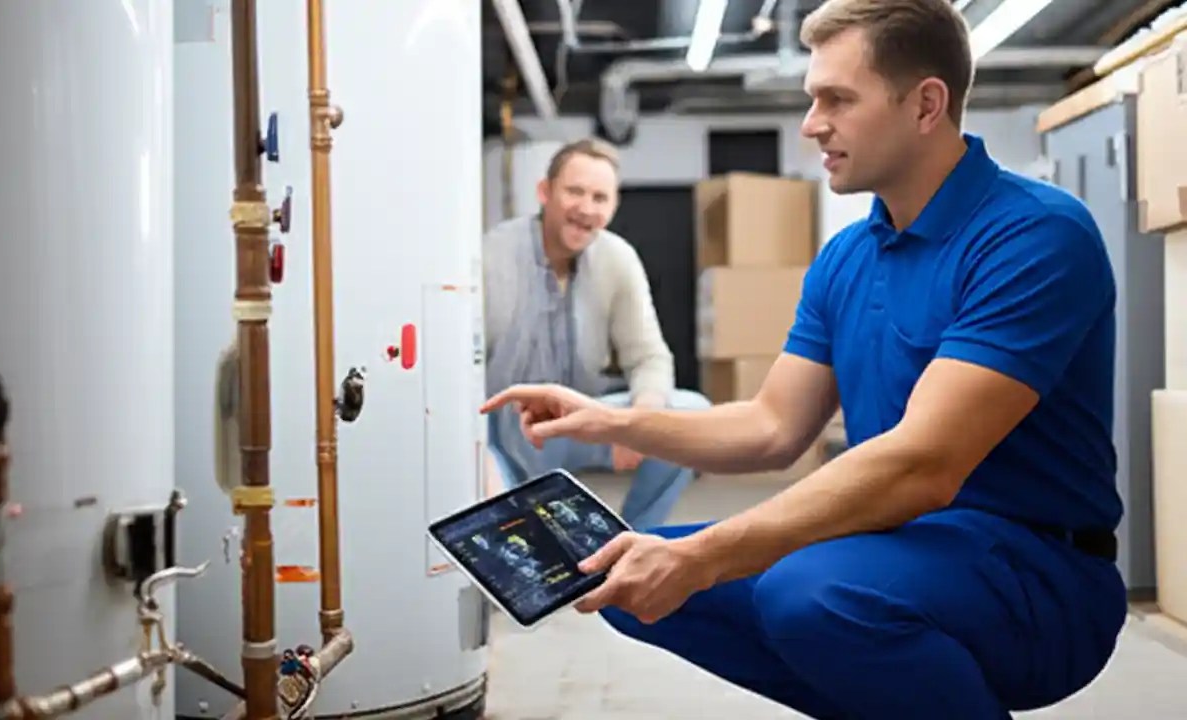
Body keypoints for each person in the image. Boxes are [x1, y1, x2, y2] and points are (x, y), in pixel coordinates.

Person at [480, 1, 1127, 718]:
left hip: (1038, 575)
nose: (812, 123)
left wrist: (705, 557)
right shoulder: (847, 256)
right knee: (624, 577)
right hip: (900, 548)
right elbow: (770, 427)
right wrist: (611, 422)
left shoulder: (1032, 236)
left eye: (837, 100)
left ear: (926, 105)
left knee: (809, 594)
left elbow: (924, 465)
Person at [481, 138, 710, 531]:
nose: (586, 209)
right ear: (544, 192)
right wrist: (478, 452)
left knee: (692, 418)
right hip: (502, 432)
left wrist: (638, 424)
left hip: (576, 421)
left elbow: (650, 358)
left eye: (600, 197)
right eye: (574, 192)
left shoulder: (617, 258)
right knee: (512, 536)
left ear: (614, 206)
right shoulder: (492, 255)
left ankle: (633, 541)